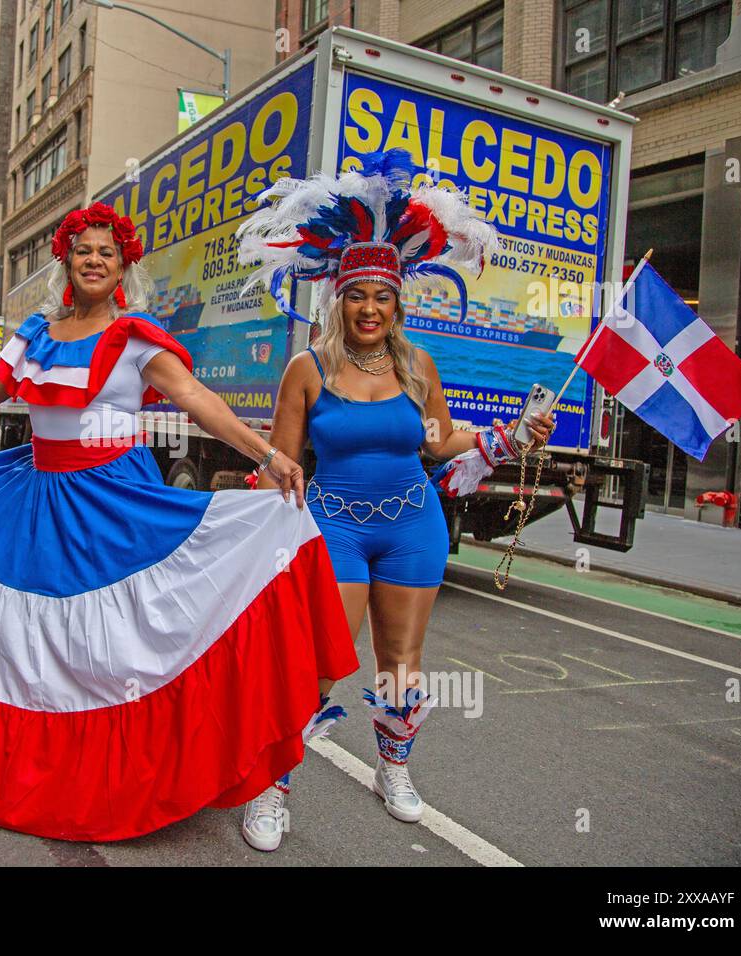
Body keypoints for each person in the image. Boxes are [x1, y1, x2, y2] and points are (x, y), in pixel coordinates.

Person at [0, 202, 358, 842]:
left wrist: (269, 455)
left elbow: (194, 401)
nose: (94, 260)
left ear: (123, 265)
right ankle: (41, 771)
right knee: (35, 638)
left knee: (118, 641)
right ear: (67, 261)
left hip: (113, 500)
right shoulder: (34, 334)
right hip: (36, 496)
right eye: (83, 250)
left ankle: (126, 779)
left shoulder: (134, 336)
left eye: (107, 252)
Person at [238, 149, 555, 845]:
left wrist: (510, 436)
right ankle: (271, 786)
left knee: (401, 663)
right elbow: (281, 462)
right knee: (318, 665)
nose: (371, 308)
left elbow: (439, 442)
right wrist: (246, 519)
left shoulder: (418, 366)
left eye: (383, 296)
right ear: (338, 300)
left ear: (397, 301)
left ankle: (395, 768)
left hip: (413, 526)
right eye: (358, 295)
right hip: (333, 527)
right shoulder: (308, 368)